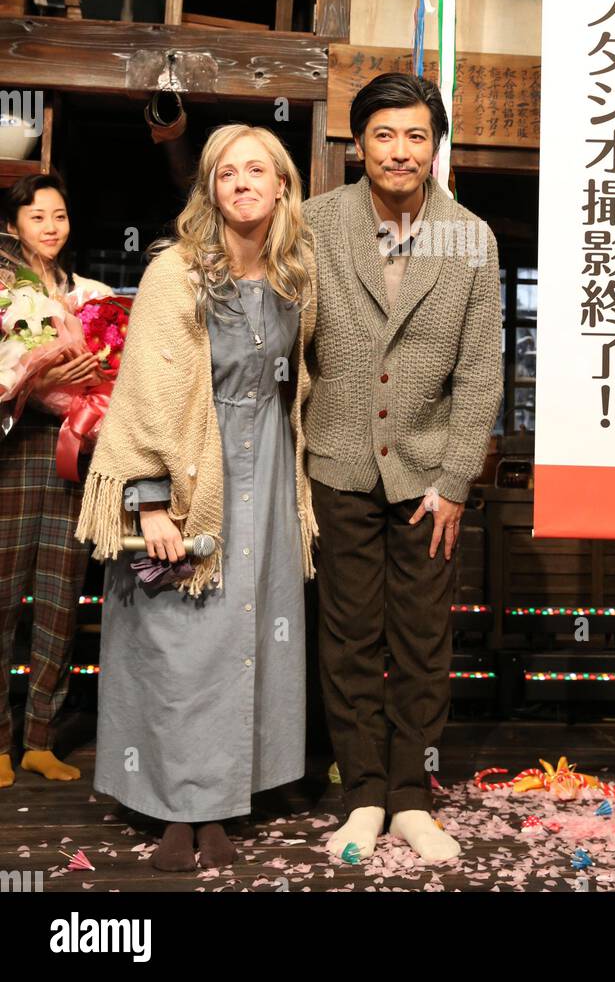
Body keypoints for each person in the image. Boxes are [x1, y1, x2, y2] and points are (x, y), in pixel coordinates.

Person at [74, 125, 317, 870]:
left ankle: (233, 792)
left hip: (269, 475)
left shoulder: (294, 276)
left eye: (257, 170)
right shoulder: (176, 272)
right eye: (226, 173)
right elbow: (147, 392)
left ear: (281, 185)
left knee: (250, 639)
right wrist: (149, 502)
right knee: (181, 641)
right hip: (194, 471)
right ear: (209, 190)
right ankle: (175, 804)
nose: (242, 183)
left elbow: (300, 381)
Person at [303, 72, 503, 863]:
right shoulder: (316, 222)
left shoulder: (469, 236)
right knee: (348, 636)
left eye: (416, 135)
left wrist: (456, 480)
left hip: (428, 478)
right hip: (340, 463)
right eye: (383, 135)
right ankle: (362, 795)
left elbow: (481, 372)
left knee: (423, 640)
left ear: (435, 145)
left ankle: (413, 797)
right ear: (359, 145)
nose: (399, 150)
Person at [0, 173, 109, 790]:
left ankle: (40, 738)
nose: (49, 226)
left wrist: (94, 370)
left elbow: (113, 369)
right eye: (36, 215)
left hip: (72, 456)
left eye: (59, 215)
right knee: (1, 600)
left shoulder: (85, 294)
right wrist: (33, 375)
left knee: (60, 599)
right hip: (12, 452)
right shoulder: (3, 287)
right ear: (14, 224)